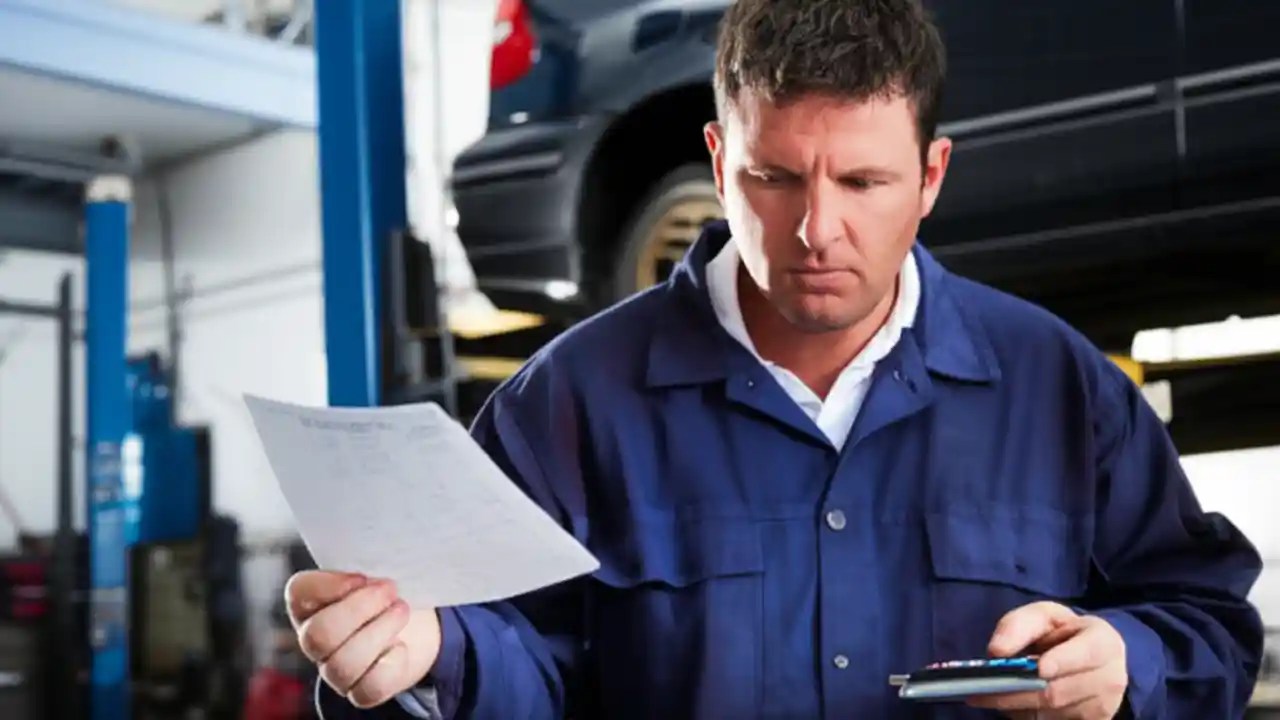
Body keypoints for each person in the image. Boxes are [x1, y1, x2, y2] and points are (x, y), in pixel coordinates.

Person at [288, 0, 1265, 717]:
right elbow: (518, 662)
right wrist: (427, 657)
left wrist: (1126, 661)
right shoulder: (568, 405)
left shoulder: (1060, 390)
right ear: (718, 163)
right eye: (774, 178)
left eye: (863, 181)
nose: (816, 229)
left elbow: (1209, 626)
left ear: (931, 177)